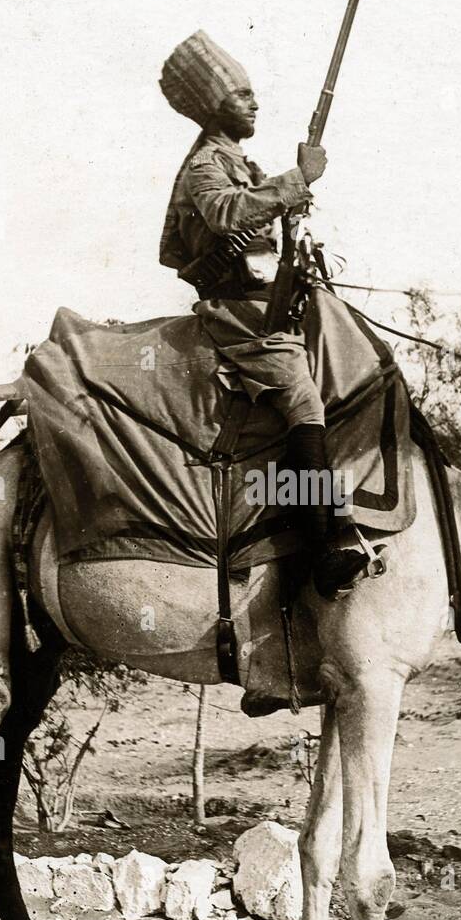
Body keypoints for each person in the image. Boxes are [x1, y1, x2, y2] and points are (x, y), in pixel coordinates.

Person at [158, 29, 371, 599]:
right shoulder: (206, 164)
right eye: (242, 96)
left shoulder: (238, 161)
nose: (255, 104)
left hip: (266, 301)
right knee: (304, 403)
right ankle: (327, 543)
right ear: (213, 107)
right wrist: (297, 179)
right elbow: (227, 214)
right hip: (239, 313)